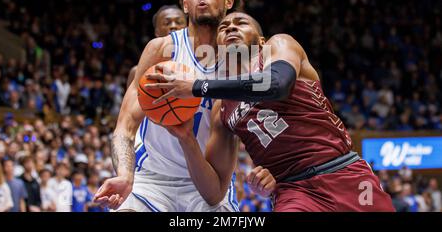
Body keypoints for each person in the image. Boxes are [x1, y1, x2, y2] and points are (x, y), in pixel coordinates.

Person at [146, 11, 395, 211]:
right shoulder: (222, 107)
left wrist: (197, 87)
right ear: (219, 50)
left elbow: (276, 85)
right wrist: (186, 139)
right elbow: (213, 193)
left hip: (345, 174)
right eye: (223, 27)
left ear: (261, 40)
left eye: (240, 23)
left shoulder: (279, 46)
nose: (231, 27)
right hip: (294, 193)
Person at [94, 0, 264, 212]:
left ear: (228, 1)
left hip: (209, 183)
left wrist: (268, 168)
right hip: (152, 180)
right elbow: (124, 128)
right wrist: (125, 174)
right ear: (185, 5)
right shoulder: (161, 50)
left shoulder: (239, 62)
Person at [126, 5, 187, 89]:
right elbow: (130, 102)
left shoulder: (202, 66)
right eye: (167, 23)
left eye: (179, 22)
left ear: (188, 28)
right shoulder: (137, 72)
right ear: (157, 32)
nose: (173, 26)